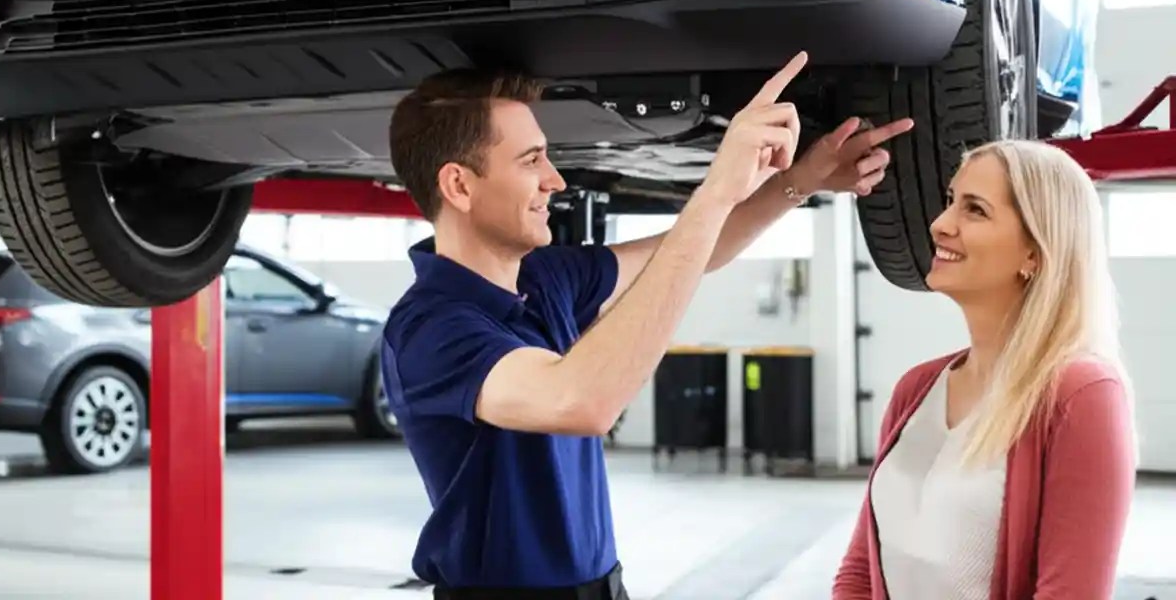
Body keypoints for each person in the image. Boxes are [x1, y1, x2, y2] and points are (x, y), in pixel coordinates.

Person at [380, 51, 914, 599]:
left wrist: (805, 178)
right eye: (531, 160)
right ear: (460, 186)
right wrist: (714, 190)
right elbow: (577, 401)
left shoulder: (547, 278)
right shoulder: (430, 328)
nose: (555, 180)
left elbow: (693, 251)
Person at [832, 139, 1138, 600]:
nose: (939, 224)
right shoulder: (916, 389)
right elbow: (859, 571)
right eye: (951, 201)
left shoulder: (1081, 393)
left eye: (974, 210)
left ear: (1034, 253)